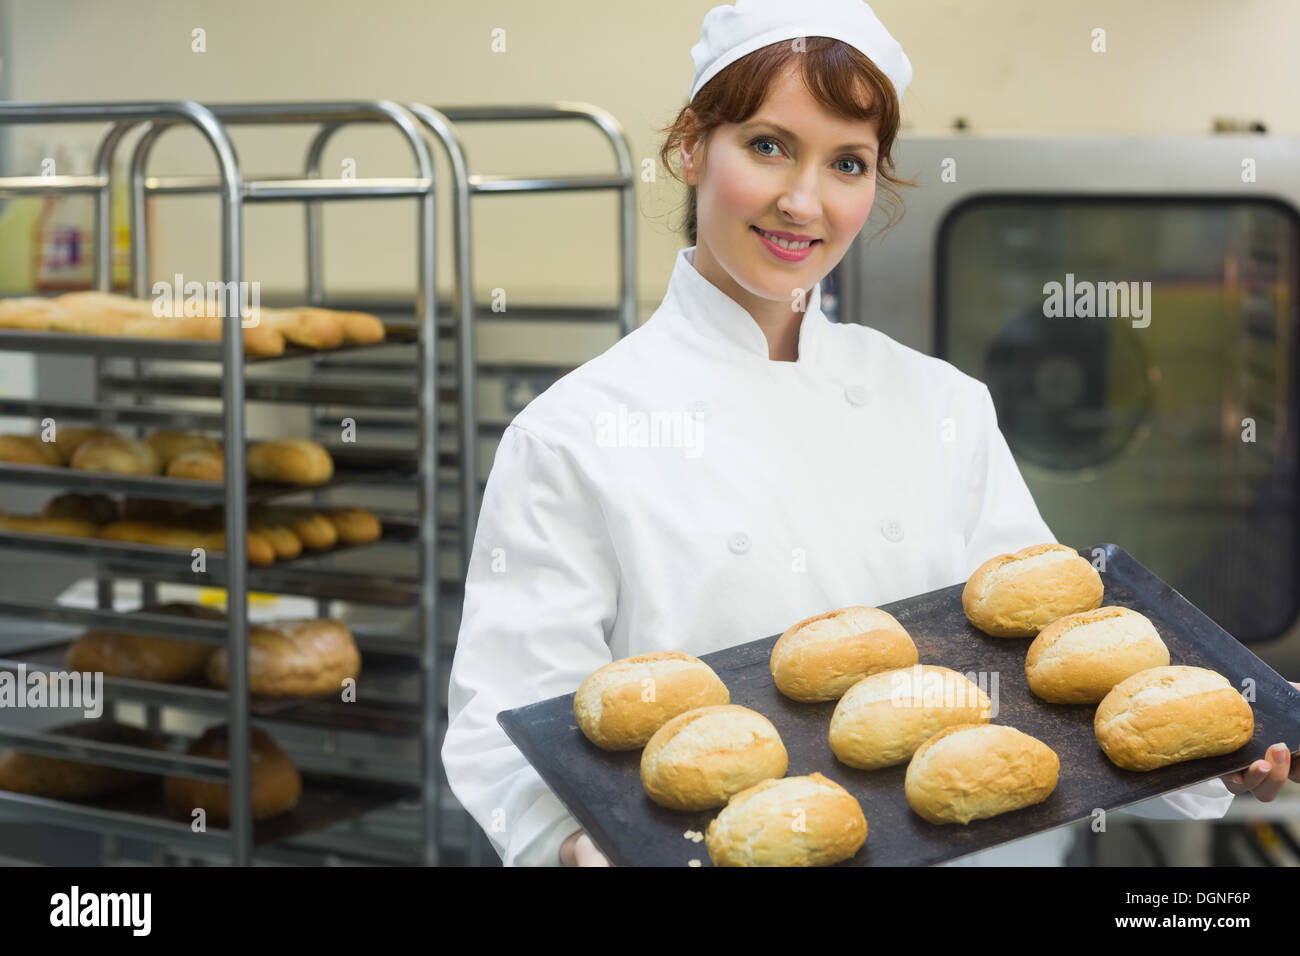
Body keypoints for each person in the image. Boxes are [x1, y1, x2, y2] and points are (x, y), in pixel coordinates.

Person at [442, 0, 1296, 867]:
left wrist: (1222, 757)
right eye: (768, 145)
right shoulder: (574, 434)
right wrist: (581, 850)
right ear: (694, 145)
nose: (803, 201)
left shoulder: (941, 402)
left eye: (846, 163)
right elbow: (505, 722)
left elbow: (1062, 668)